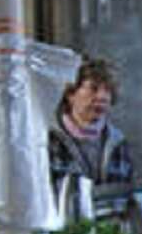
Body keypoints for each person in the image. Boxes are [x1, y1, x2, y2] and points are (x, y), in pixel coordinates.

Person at [47, 57, 134, 189]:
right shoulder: (49, 140)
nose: (102, 97)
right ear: (71, 94)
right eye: (93, 89)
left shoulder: (118, 143)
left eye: (108, 90)